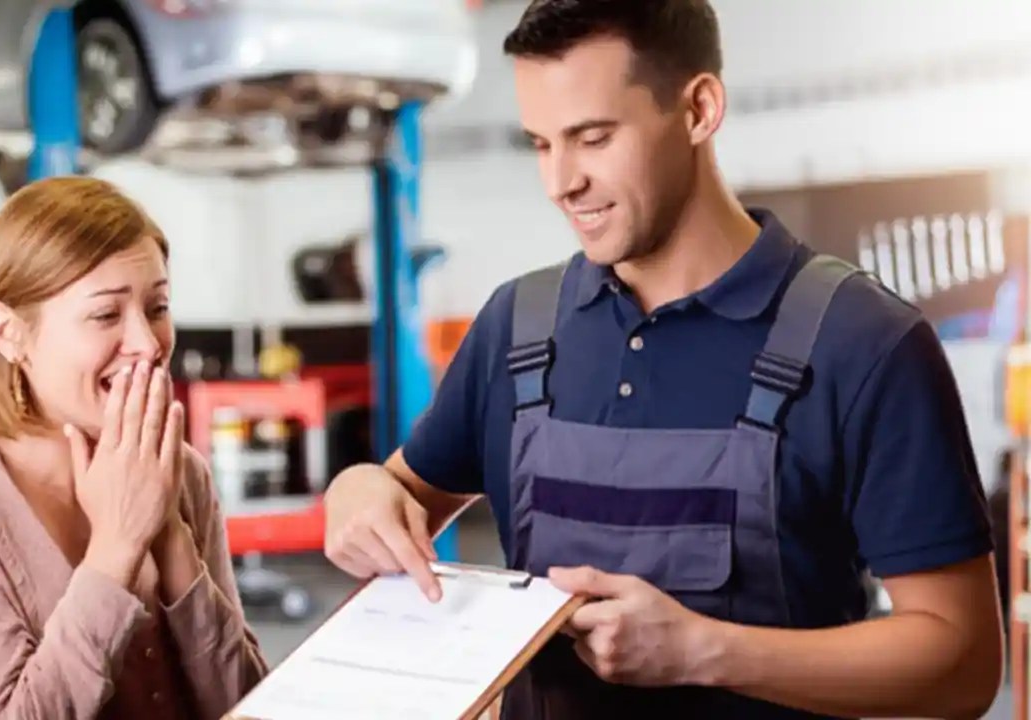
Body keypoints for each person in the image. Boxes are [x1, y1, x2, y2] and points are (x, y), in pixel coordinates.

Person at [323, 1, 1004, 718]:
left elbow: (961, 663)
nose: (561, 183)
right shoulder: (516, 326)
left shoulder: (863, 342)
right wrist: (360, 490)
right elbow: (401, 493)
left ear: (700, 110)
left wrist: (701, 650)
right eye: (541, 144)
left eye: (592, 138)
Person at [0, 176, 267, 719]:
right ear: (9, 332)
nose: (146, 344)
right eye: (106, 315)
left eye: (157, 307)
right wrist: (118, 545)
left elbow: (249, 705)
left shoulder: (181, 473)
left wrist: (170, 539)